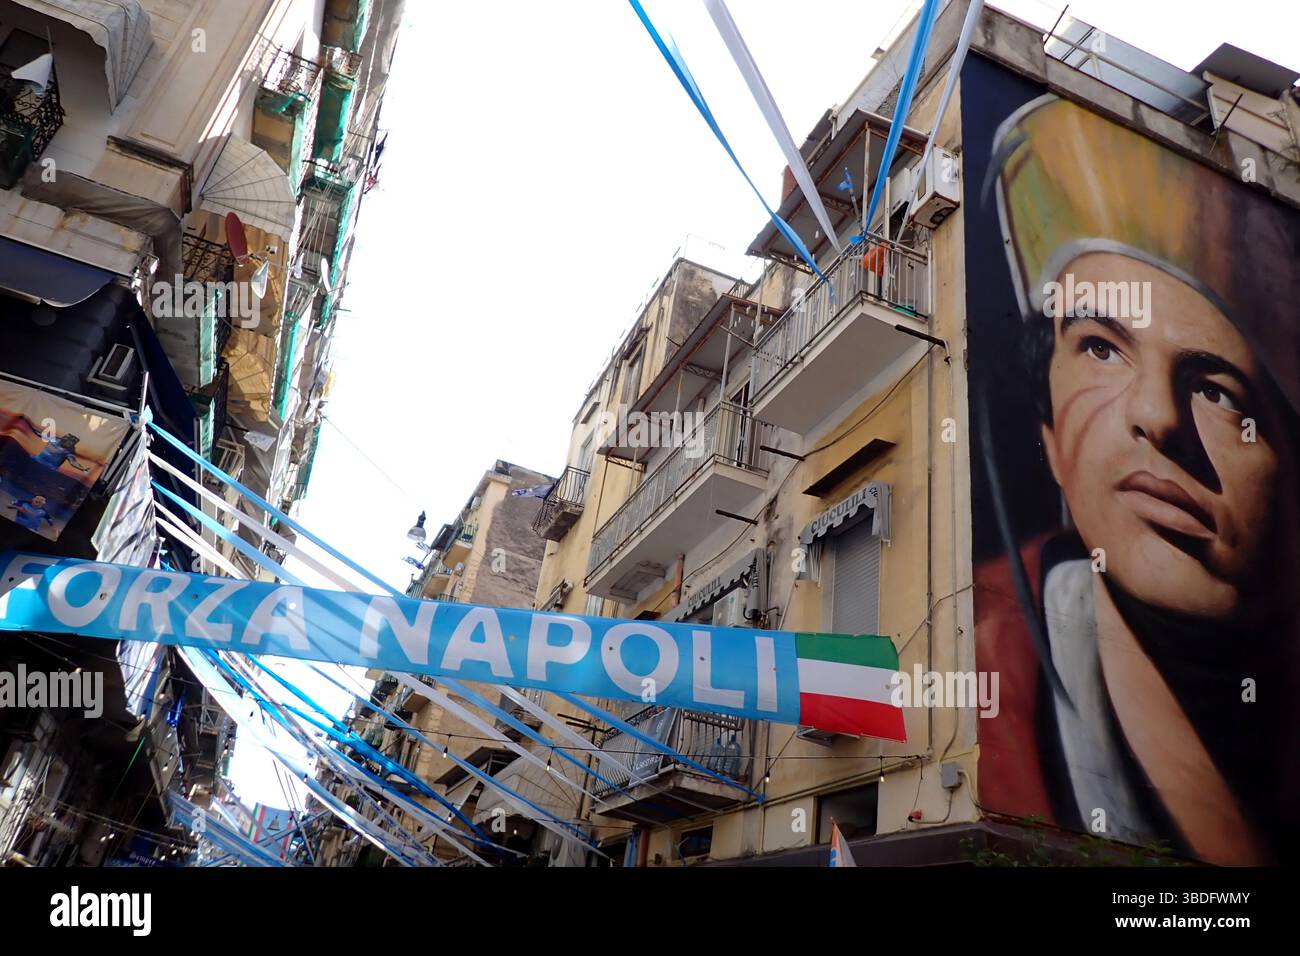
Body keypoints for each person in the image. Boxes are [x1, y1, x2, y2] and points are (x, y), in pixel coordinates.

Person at [976, 95, 1300, 865]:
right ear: (1050, 437)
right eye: (1100, 349)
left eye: (1218, 390)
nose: (1156, 417)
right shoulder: (991, 679)